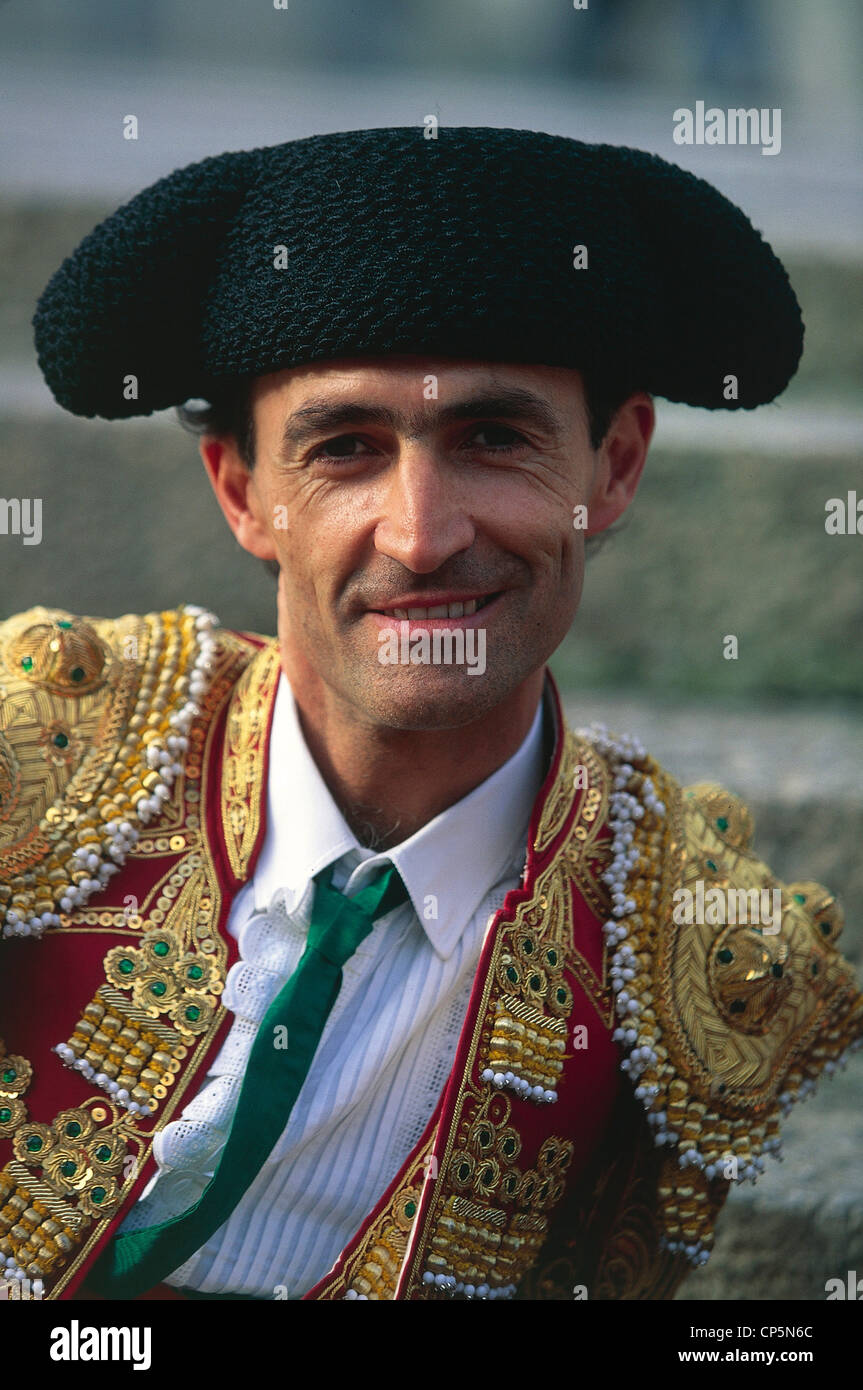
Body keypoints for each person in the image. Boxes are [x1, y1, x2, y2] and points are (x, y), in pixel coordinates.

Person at [1, 126, 860, 1302]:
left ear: (610, 468)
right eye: (345, 448)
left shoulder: (696, 953)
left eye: (493, 439)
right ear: (245, 494)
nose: (422, 534)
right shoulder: (41, 741)